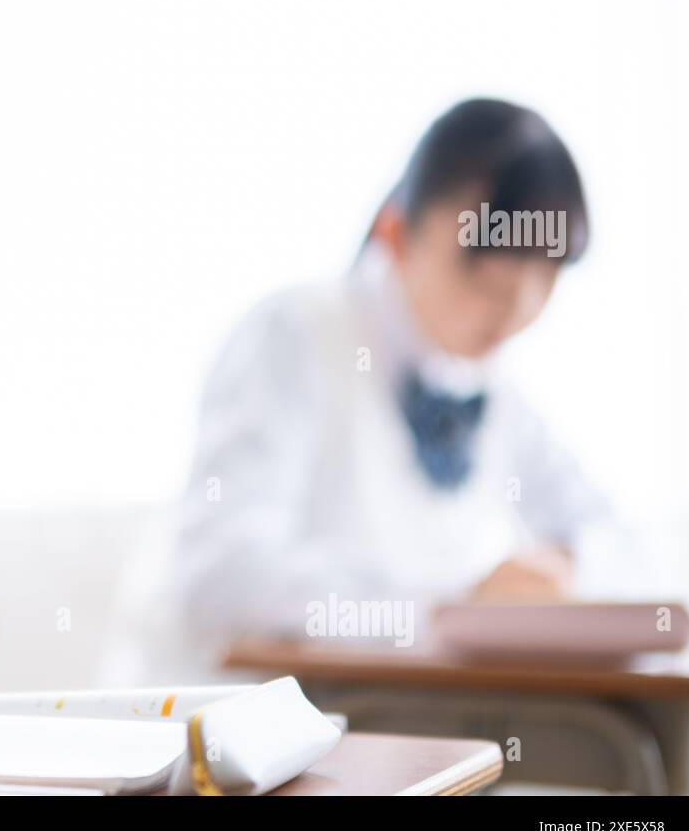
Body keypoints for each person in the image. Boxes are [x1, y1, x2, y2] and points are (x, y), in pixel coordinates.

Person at [117, 98, 636, 684]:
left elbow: (616, 539)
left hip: (399, 730)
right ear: (394, 232)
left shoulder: (496, 390)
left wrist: (565, 570)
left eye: (545, 276)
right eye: (489, 276)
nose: (519, 308)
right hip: (224, 737)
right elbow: (221, 577)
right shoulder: (294, 333)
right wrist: (454, 606)